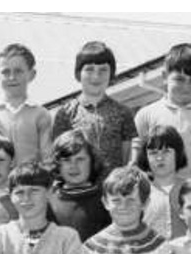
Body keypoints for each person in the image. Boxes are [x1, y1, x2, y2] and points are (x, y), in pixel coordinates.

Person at [132, 43, 191, 186]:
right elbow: (136, 166)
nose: (186, 86)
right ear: (165, 76)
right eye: (179, 79)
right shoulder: (145, 115)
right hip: (158, 196)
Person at [51, 41, 137, 173]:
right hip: (78, 188)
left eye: (103, 70)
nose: (96, 76)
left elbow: (127, 157)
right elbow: (58, 157)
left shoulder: (123, 113)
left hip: (113, 190)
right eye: (89, 69)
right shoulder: (66, 113)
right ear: (79, 73)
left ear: (111, 73)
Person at [0, 43, 52, 166]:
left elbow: (47, 158)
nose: (12, 77)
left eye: (18, 71)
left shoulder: (40, 115)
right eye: (5, 72)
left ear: (32, 74)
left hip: (30, 182)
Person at [49, 129, 110, 244]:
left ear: (92, 161)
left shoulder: (106, 200)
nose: (73, 166)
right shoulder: (49, 201)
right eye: (67, 160)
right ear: (58, 164)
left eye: (80, 159)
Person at [134, 124, 188, 239]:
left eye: (166, 151)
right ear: (145, 157)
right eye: (153, 153)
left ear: (178, 153)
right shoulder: (139, 192)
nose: (159, 158)